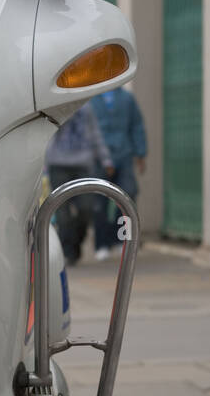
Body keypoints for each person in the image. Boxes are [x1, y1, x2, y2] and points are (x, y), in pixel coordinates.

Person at [46, 102, 113, 266]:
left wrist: (105, 159)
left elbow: (95, 132)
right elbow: (45, 135)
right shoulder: (53, 104)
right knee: (62, 214)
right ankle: (68, 252)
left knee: (87, 209)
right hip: (58, 164)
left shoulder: (87, 107)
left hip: (83, 164)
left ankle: (74, 243)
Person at [90, 88, 147, 259]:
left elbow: (137, 125)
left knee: (127, 195)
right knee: (98, 201)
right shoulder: (91, 99)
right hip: (99, 157)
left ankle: (120, 238)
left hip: (124, 154)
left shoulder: (127, 98)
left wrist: (140, 153)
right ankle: (101, 243)